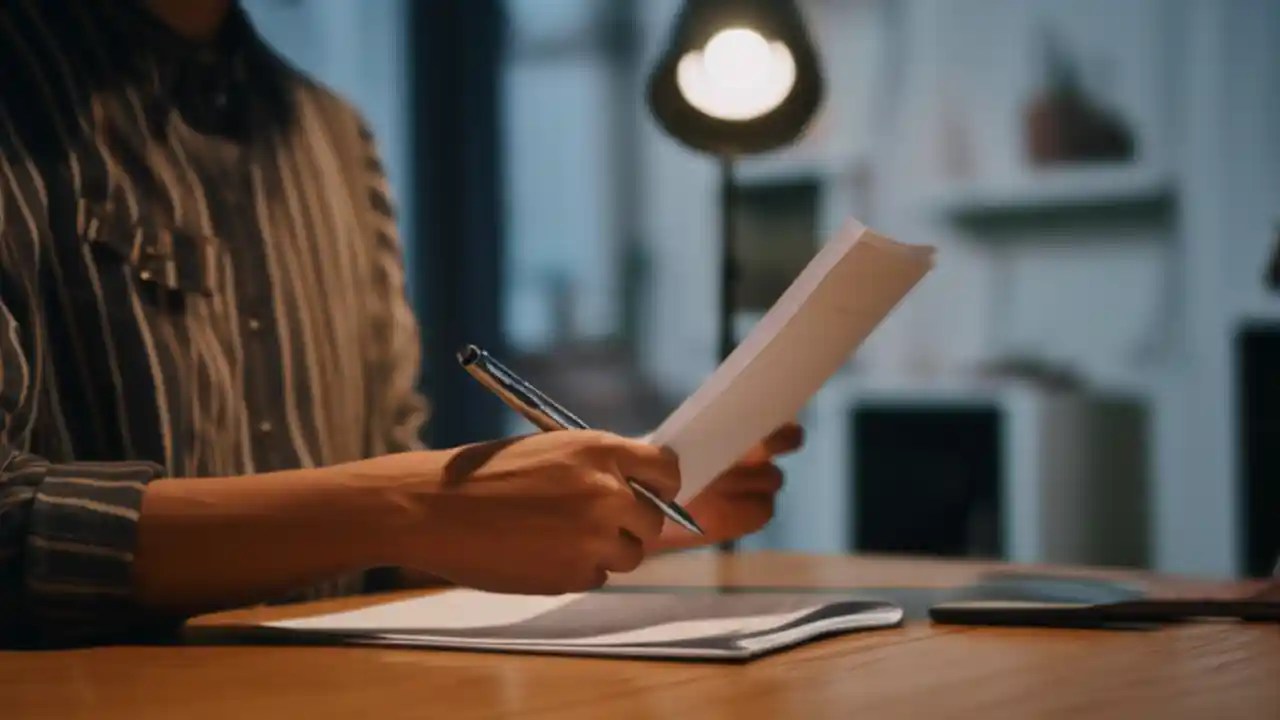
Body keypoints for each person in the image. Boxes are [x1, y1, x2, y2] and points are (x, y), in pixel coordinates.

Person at [0, 0, 802, 644]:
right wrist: (412, 506)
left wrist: (623, 504)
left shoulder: (331, 136)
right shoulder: (22, 91)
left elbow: (384, 541)